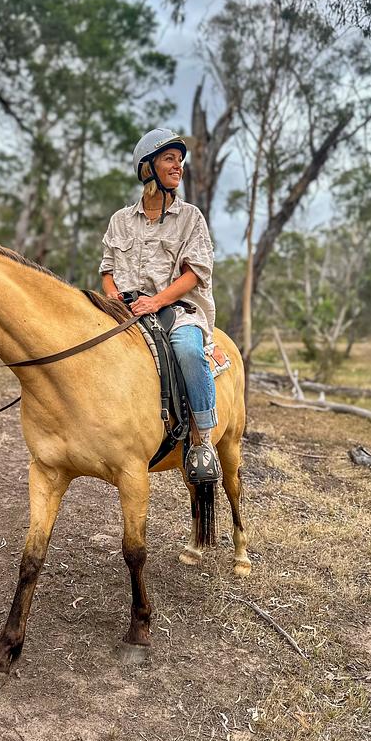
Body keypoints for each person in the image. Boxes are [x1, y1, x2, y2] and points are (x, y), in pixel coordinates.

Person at [99, 127, 223, 482]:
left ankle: (202, 439)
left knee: (188, 350)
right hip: (126, 310)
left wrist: (155, 302)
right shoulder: (120, 220)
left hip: (176, 309)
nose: (178, 166)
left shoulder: (191, 218)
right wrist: (114, 300)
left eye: (180, 160)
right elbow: (107, 271)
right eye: (170, 158)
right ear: (148, 166)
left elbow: (195, 274)